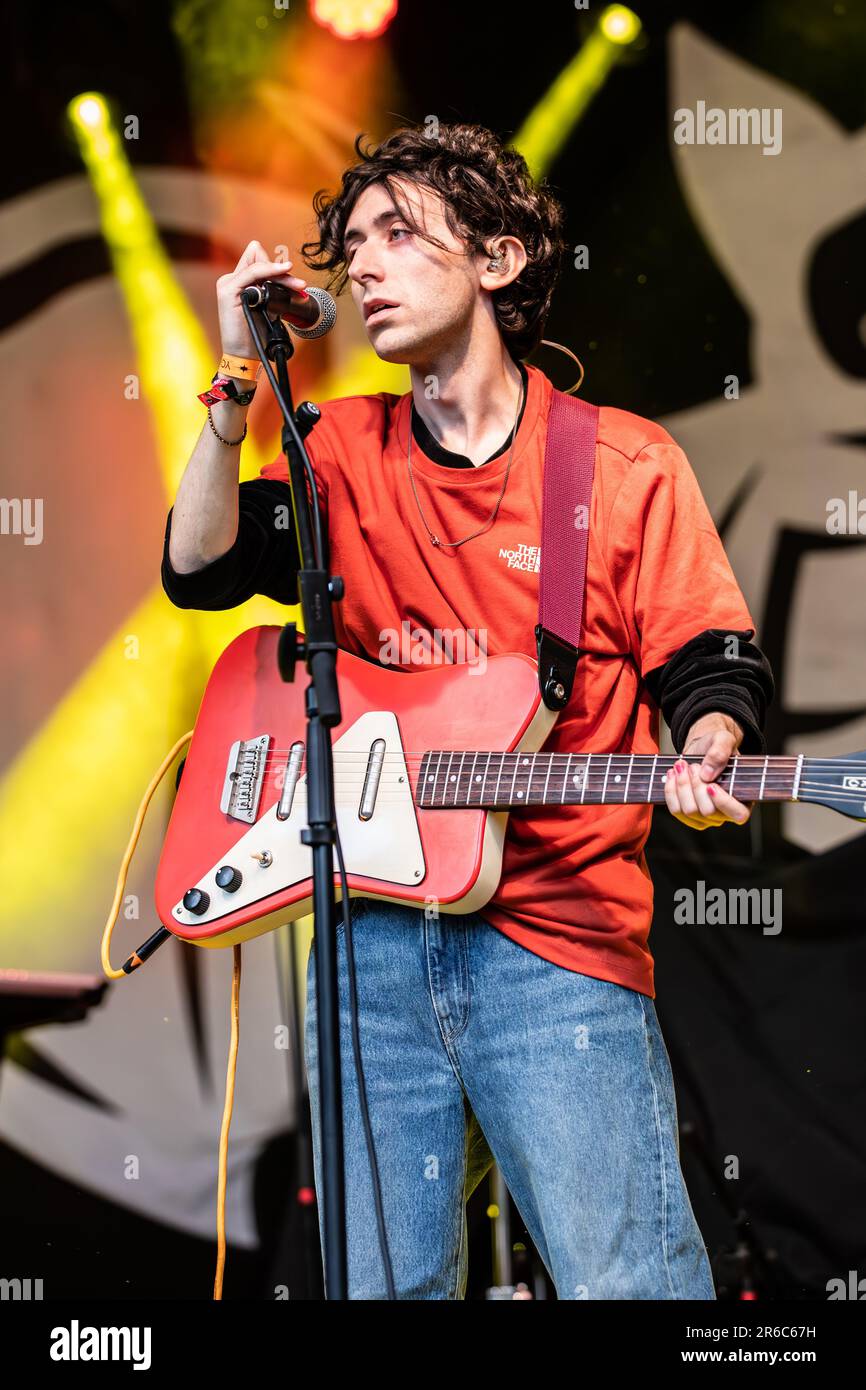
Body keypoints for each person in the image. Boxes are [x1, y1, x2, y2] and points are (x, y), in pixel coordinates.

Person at [162, 123, 774, 1300]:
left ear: (495, 261)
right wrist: (236, 388)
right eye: (354, 246)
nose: (366, 268)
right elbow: (197, 567)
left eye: (399, 235)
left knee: (628, 1285)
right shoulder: (335, 446)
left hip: (559, 942)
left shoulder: (620, 465)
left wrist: (704, 752)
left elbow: (710, 665)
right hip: (369, 940)